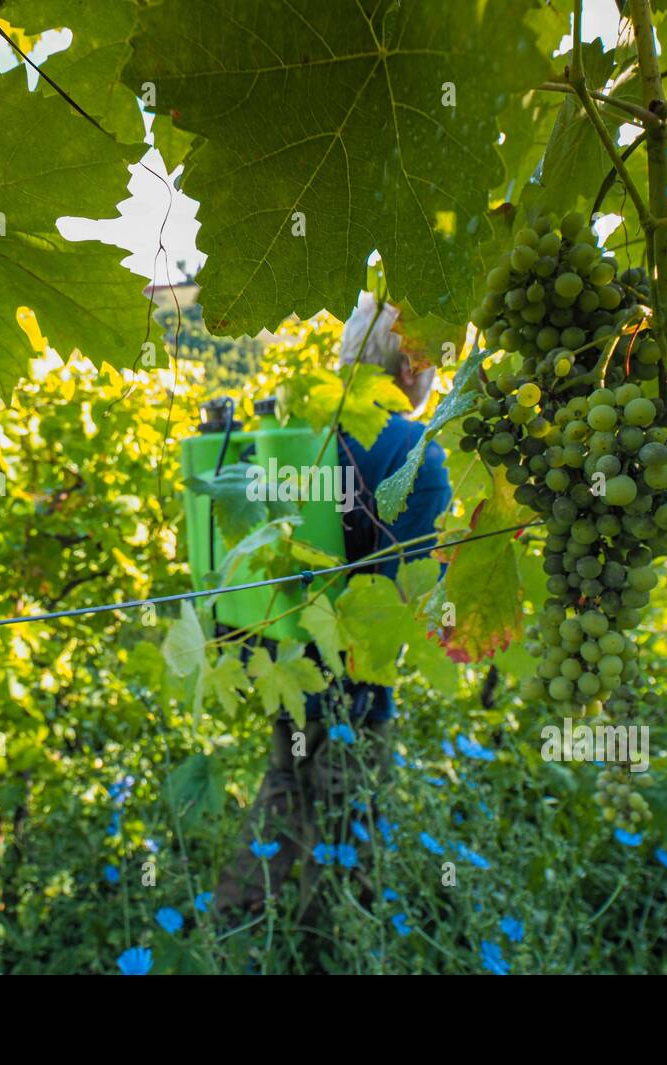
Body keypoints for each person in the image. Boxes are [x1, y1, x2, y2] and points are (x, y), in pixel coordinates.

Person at [215, 293, 453, 916]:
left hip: (281, 662)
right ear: (410, 364)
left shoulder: (287, 433)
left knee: (284, 795)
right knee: (349, 837)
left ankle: (231, 935)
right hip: (359, 688)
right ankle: (327, 949)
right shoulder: (417, 451)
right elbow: (413, 596)